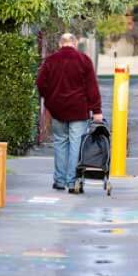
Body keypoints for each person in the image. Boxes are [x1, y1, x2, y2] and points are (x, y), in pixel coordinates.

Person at [36, 33, 103, 192]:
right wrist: (97, 111)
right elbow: (92, 88)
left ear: (60, 44)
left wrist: (50, 100)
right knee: (76, 145)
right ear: (75, 43)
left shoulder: (50, 61)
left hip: (57, 110)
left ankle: (59, 181)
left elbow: (40, 84)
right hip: (79, 110)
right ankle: (72, 183)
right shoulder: (84, 60)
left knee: (60, 143)